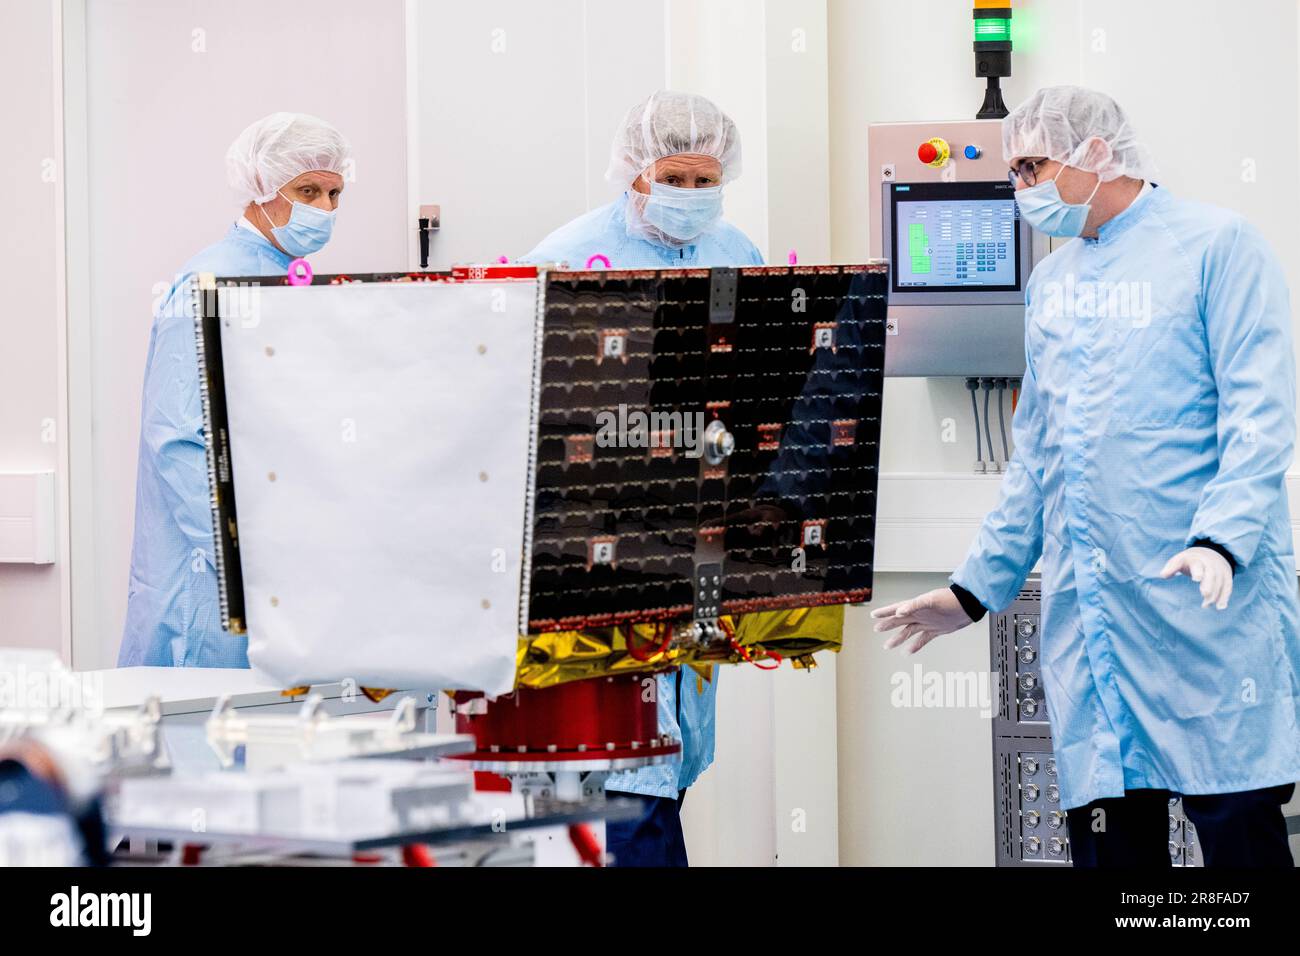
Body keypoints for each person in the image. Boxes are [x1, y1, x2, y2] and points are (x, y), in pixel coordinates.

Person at [873, 85, 1300, 868]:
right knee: (1113, 846)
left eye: (1033, 165)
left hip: (1208, 614)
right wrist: (973, 589)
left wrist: (1220, 540)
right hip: (1097, 626)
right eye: (1014, 171)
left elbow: (1261, 417)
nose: (1020, 188)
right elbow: (1036, 456)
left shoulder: (1218, 248)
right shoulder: (1054, 285)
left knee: (1238, 840)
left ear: (1095, 153)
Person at [521, 91, 762, 866]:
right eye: (675, 176)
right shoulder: (567, 258)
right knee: (622, 780)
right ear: (633, 169)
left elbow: (762, 392)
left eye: (705, 180)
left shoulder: (739, 254)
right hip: (598, 560)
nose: (691, 196)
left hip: (697, 552)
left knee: (672, 756)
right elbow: (533, 422)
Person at [118, 112, 352, 669]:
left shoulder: (289, 280)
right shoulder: (210, 283)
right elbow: (178, 441)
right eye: (307, 191)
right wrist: (244, 563)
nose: (324, 209)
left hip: (281, 579)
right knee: (211, 741)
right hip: (209, 587)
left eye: (335, 193)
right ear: (260, 188)